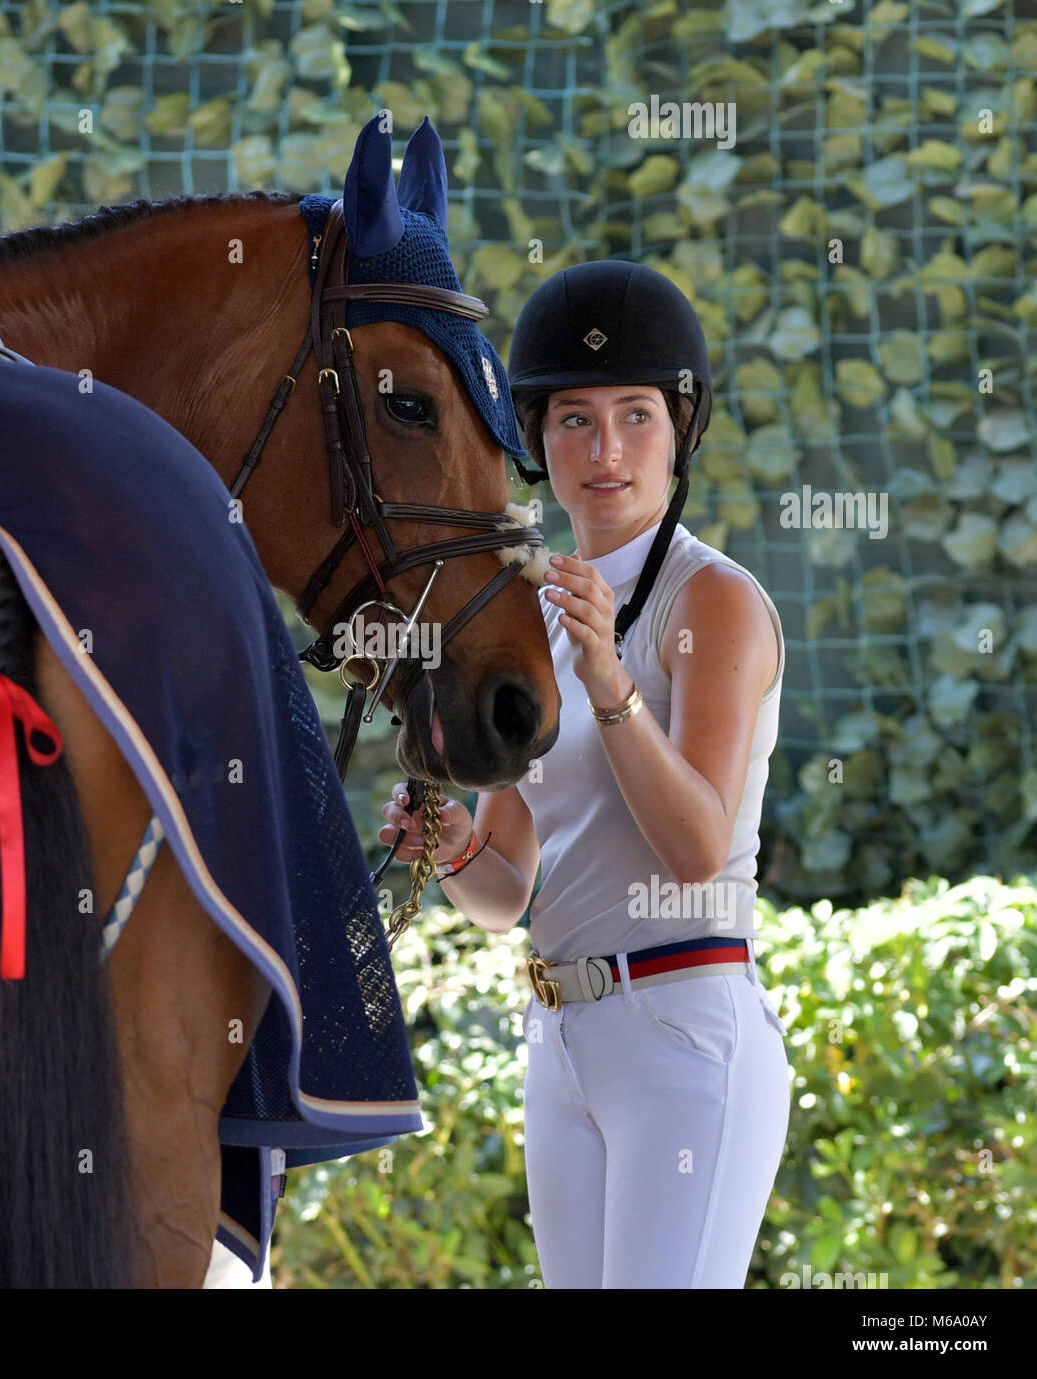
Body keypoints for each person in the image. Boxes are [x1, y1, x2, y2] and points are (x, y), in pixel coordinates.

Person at [379, 260, 791, 1288]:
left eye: (634, 415)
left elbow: (697, 849)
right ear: (535, 438)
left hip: (682, 1031)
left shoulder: (712, 602)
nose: (604, 450)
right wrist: (450, 845)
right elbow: (506, 893)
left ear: (680, 427)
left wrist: (609, 678)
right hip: (560, 1036)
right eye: (572, 418)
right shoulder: (527, 619)